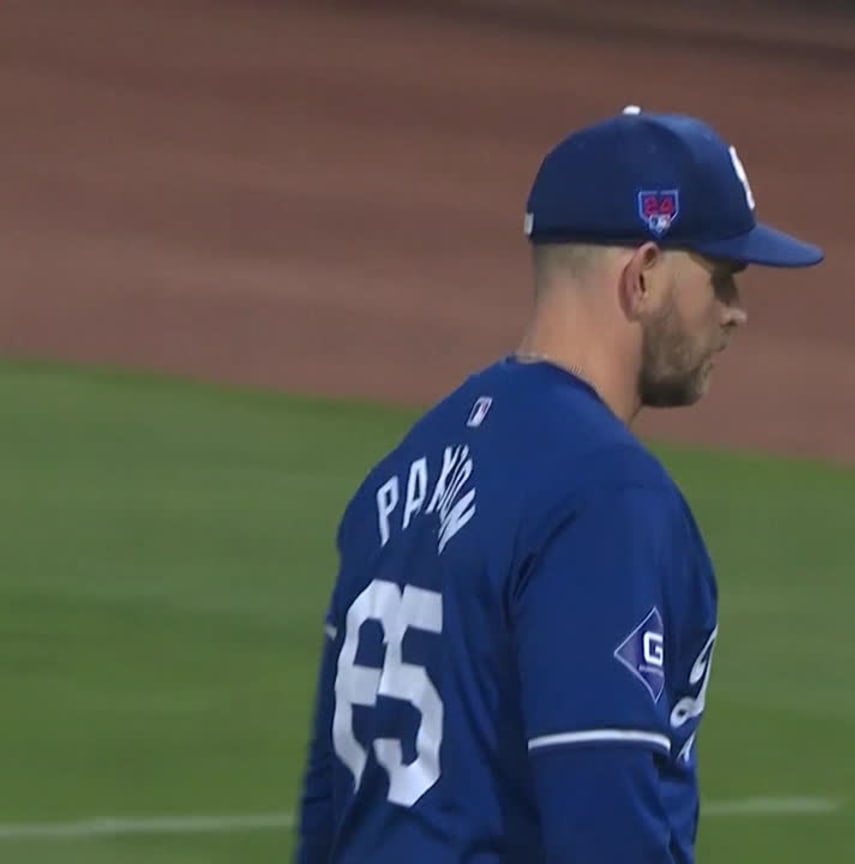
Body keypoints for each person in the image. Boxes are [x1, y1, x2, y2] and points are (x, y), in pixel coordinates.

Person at [290, 104, 823, 864]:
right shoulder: (606, 497)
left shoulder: (399, 476)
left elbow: (326, 811)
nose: (736, 313)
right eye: (722, 276)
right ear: (641, 278)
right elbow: (607, 825)